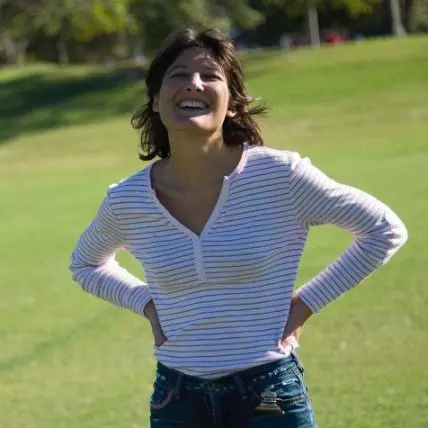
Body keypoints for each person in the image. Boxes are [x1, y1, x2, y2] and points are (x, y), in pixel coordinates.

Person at [69, 28, 408, 428]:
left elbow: (384, 229)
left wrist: (303, 306)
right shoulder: (127, 199)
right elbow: (85, 264)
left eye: (210, 75)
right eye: (178, 75)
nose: (194, 83)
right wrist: (146, 304)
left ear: (233, 102)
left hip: (269, 393)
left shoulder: (281, 176)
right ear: (156, 101)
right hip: (177, 399)